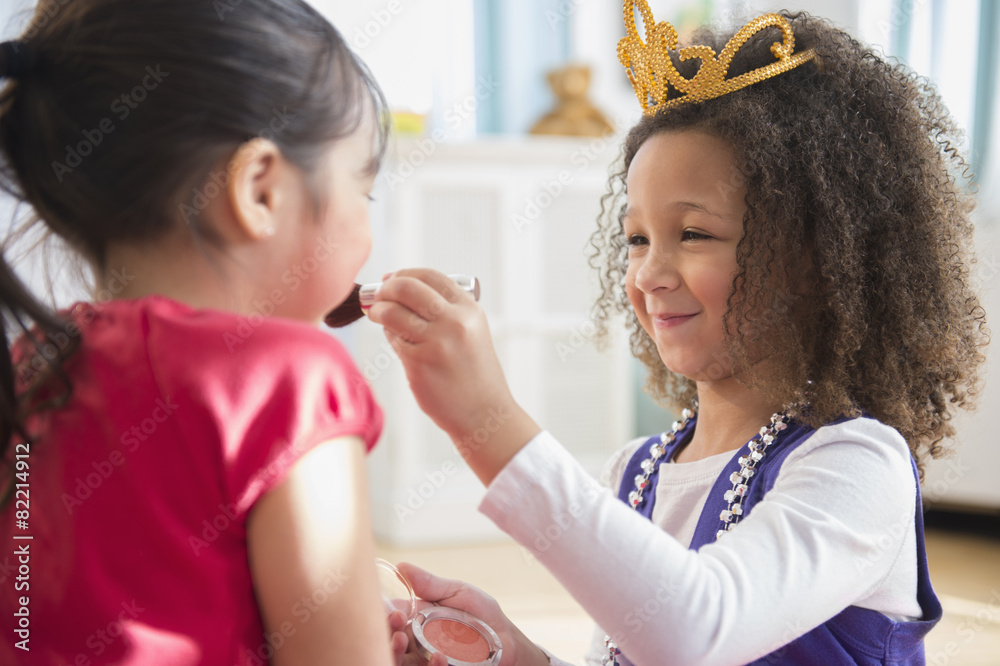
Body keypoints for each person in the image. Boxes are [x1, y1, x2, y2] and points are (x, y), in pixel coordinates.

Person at [373, 4, 988, 665]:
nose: (649, 274)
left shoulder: (858, 467)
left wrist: (485, 418)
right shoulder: (636, 474)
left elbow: (699, 629)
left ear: (814, 258)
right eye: (636, 239)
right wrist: (519, 655)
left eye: (693, 234)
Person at [0, 0, 407, 663]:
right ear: (261, 191)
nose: (367, 230)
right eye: (363, 193)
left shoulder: (31, 361)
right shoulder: (293, 378)